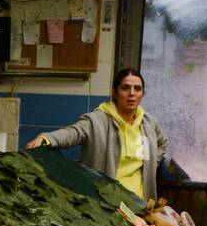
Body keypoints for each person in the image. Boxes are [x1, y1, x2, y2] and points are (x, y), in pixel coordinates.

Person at [24, 68, 168, 201]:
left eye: (137, 89)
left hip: (140, 203)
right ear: (115, 92)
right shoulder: (96, 120)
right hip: (107, 202)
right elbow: (73, 132)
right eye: (125, 88)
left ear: (142, 94)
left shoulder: (149, 123)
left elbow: (162, 143)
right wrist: (46, 138)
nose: (132, 93)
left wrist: (150, 164)